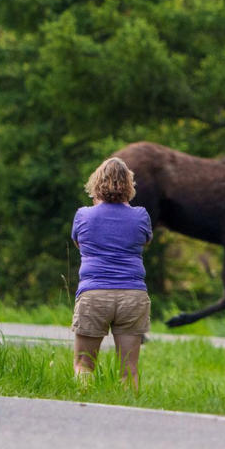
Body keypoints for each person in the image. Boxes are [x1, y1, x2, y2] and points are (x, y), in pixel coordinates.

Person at [71, 156, 153, 388]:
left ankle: (83, 402)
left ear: (96, 183)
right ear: (129, 185)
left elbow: (79, 244)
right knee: (129, 371)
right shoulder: (141, 215)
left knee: (84, 365)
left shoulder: (83, 215)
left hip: (94, 294)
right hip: (132, 296)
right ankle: (127, 408)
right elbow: (145, 242)